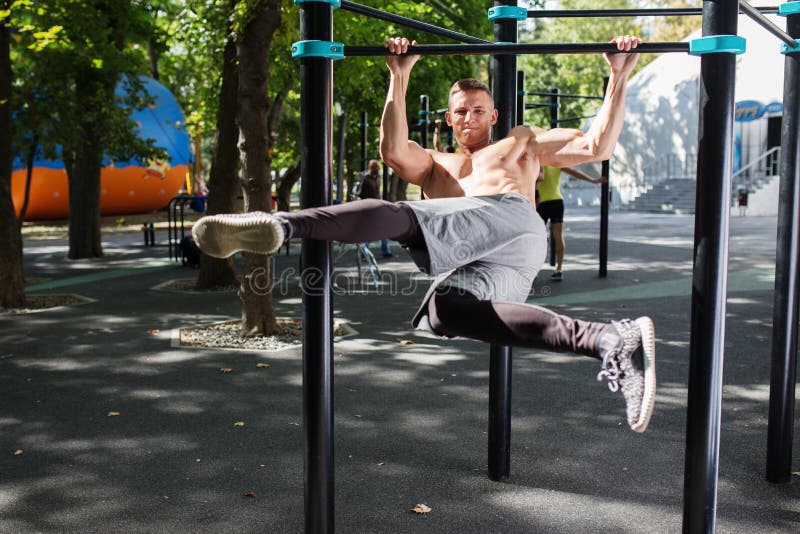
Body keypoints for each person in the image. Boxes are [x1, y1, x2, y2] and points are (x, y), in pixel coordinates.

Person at [192, 35, 656, 433]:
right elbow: (393, 151)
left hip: (514, 222)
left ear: (494, 116)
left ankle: (284, 224)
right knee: (444, 310)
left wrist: (619, 75)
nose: (469, 118)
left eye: (478, 110)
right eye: (461, 112)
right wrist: (399, 74)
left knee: (407, 216)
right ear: (449, 120)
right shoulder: (437, 164)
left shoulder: (520, 142)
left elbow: (597, 145)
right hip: (489, 259)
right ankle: (608, 341)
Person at [537, 165, 607, 281]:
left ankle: (535, 270)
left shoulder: (539, 163)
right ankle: (559, 269)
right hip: (557, 202)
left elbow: (539, 179)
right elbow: (575, 173)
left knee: (539, 238)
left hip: (544, 204)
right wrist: (593, 180)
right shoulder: (557, 163)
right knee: (558, 236)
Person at [357, 159, 393, 257]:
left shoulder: (378, 178)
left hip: (378, 206)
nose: (376, 169)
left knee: (383, 228)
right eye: (374, 167)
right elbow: (360, 194)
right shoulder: (365, 179)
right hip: (368, 208)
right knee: (368, 230)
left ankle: (386, 251)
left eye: (377, 167)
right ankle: (364, 253)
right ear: (371, 168)